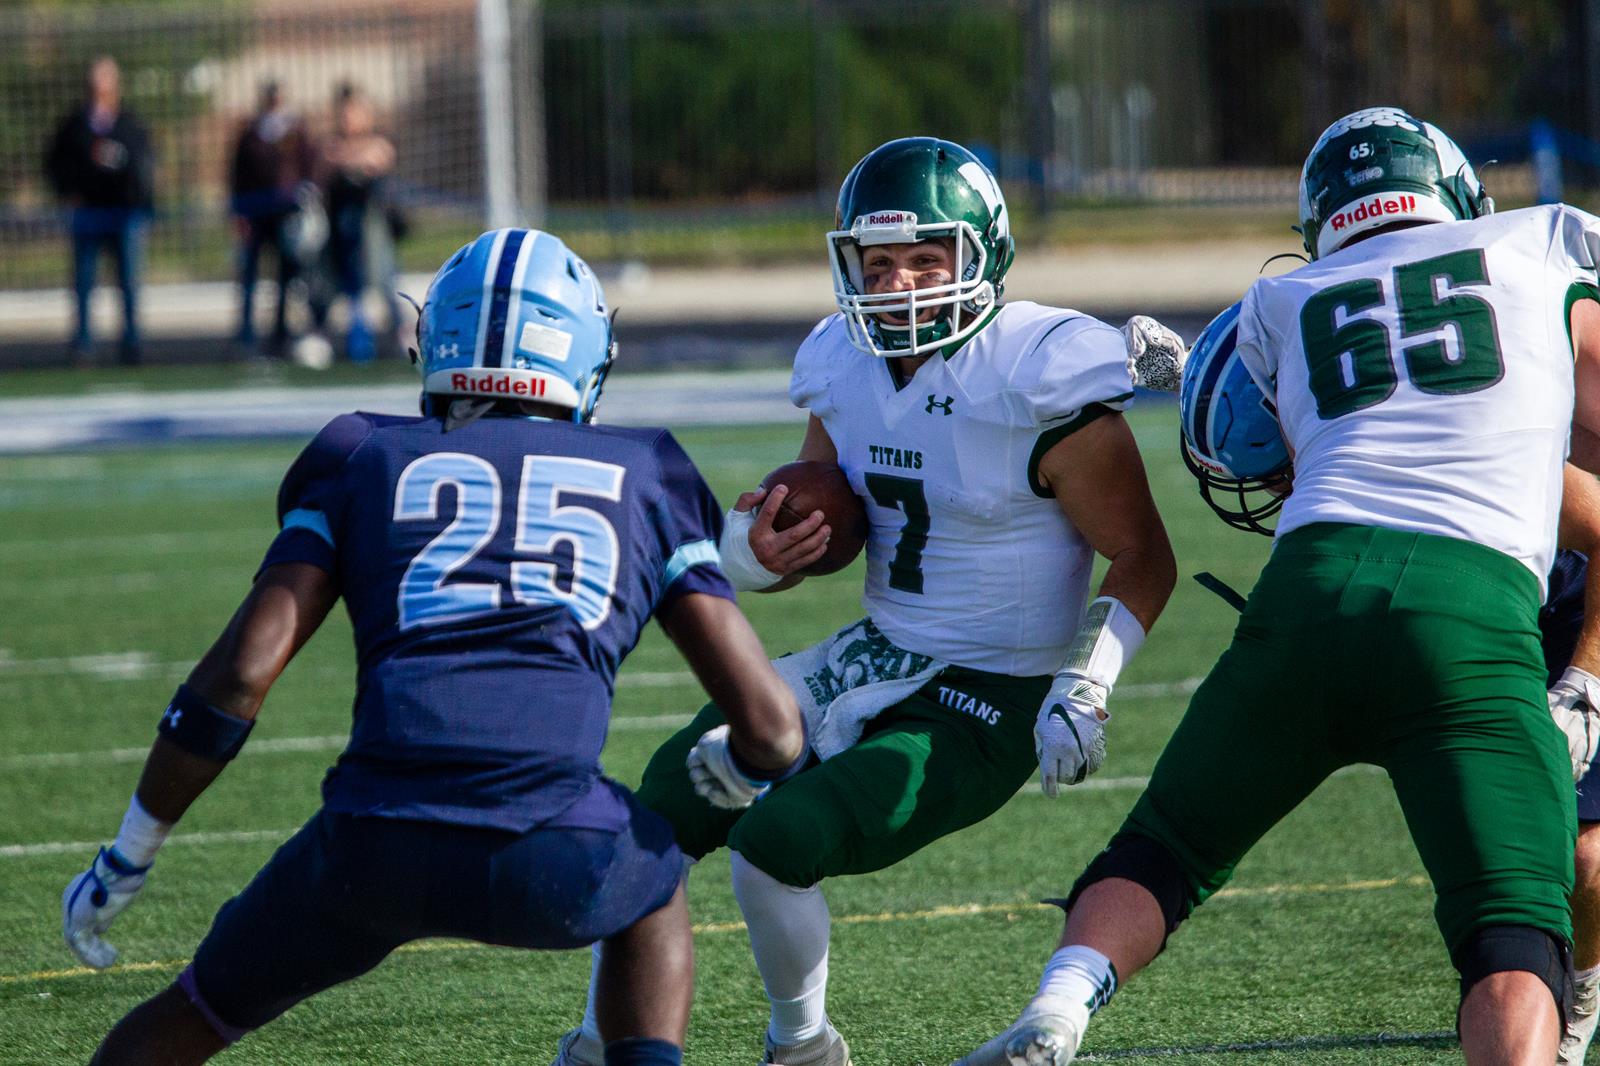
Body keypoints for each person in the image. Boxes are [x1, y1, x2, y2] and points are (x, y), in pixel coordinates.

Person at [63, 227, 807, 1066]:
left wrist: (131, 852)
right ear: (589, 357)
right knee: (652, 888)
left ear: (435, 340)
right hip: (553, 848)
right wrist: (745, 766)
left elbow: (239, 675)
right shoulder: (647, 469)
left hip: (369, 847)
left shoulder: (360, 450)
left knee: (194, 1012)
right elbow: (775, 728)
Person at [957, 106, 1600, 1066]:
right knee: (1510, 929)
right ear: (1459, 197)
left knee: (1163, 847)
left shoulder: (1280, 304)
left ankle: (1057, 1012)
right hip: (1466, 618)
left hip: (1306, 600)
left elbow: (1277, 444)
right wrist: (1584, 681)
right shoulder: (1543, 241)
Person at [552, 136, 1177, 1066]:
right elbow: (821, 509)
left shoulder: (1040, 373)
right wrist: (763, 553)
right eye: (879, 264)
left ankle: (803, 1050)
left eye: (928, 260)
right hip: (875, 653)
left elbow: (1144, 558)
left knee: (779, 841)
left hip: (989, 696)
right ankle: (607, 1041)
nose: (901, 285)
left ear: (983, 259)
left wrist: (1086, 685)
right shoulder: (842, 361)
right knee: (665, 800)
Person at [1176, 303, 1600, 1066]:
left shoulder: (1472, 445)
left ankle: (1578, 988)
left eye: (1280, 471)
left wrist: (1584, 681)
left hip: (1575, 595)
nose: (1275, 494)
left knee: (1584, 862)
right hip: (1475, 604)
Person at [43, 55, 154, 366]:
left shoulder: (129, 124)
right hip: (89, 214)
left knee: (129, 281)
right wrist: (68, 191)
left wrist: (139, 199)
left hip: (123, 214)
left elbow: (144, 164)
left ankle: (132, 343)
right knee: (84, 281)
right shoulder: (74, 125)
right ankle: (83, 345)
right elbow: (54, 164)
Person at [308, 82, 398, 364]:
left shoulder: (377, 142)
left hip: (371, 231)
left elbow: (377, 160)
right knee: (329, 285)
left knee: (385, 281)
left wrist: (349, 158)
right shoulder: (330, 145)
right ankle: (324, 335)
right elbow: (323, 168)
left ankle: (401, 332)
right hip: (338, 233)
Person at [229, 80, 316, 355]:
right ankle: (246, 335)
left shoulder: (295, 130)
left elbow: (307, 167)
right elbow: (237, 175)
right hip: (256, 215)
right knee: (250, 275)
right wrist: (238, 213)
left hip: (284, 215)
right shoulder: (251, 133)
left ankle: (280, 334)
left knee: (284, 276)